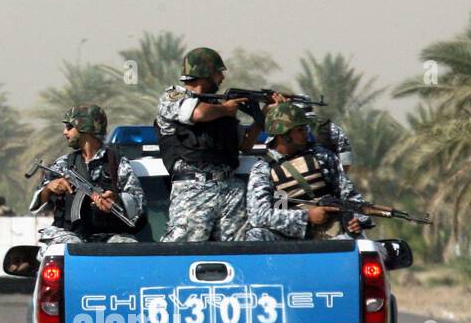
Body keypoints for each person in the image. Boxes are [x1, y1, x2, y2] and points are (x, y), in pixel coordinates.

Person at [156, 47, 284, 242]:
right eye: (218, 72)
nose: (222, 78)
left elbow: (246, 145)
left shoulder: (219, 108)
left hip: (230, 188)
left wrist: (262, 117)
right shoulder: (174, 96)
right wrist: (225, 108)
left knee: (238, 252)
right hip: (194, 189)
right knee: (186, 252)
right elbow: (196, 114)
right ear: (205, 72)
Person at [245, 102, 371, 241]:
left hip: (331, 230)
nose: (306, 133)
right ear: (283, 134)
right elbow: (259, 215)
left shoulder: (322, 156)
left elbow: (349, 194)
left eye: (305, 128)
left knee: (353, 240)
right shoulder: (263, 169)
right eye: (300, 129)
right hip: (288, 238)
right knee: (256, 235)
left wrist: (357, 220)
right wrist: (307, 217)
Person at [32, 104, 145, 245]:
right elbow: (37, 205)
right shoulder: (64, 163)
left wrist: (116, 201)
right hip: (68, 234)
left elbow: (137, 204)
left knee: (127, 245)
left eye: (69, 127)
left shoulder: (116, 163)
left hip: (107, 237)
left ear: (84, 128)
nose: (64, 132)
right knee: (70, 246)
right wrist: (49, 188)